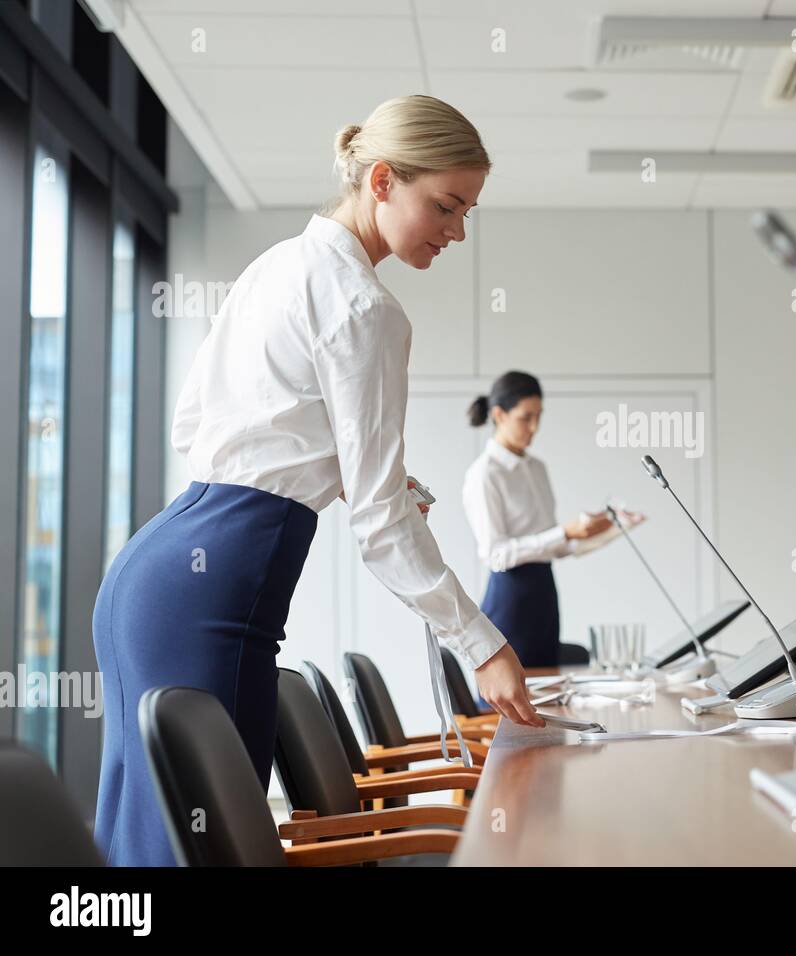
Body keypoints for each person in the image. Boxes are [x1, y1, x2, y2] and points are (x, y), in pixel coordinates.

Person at [92, 94, 542, 867]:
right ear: (382, 181)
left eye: (467, 211)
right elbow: (379, 528)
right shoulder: (368, 309)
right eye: (445, 205)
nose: (457, 230)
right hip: (220, 596)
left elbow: (197, 430)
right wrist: (483, 644)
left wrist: (365, 480)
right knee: (214, 853)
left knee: (147, 845)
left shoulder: (275, 265)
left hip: (152, 573)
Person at [462, 372, 612, 666]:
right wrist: (564, 532)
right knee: (512, 702)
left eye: (539, 416)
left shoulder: (537, 468)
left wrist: (595, 532)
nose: (535, 427)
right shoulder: (484, 474)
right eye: (525, 417)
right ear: (499, 415)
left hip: (544, 592)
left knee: (550, 695)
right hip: (511, 597)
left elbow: (552, 545)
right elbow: (495, 554)